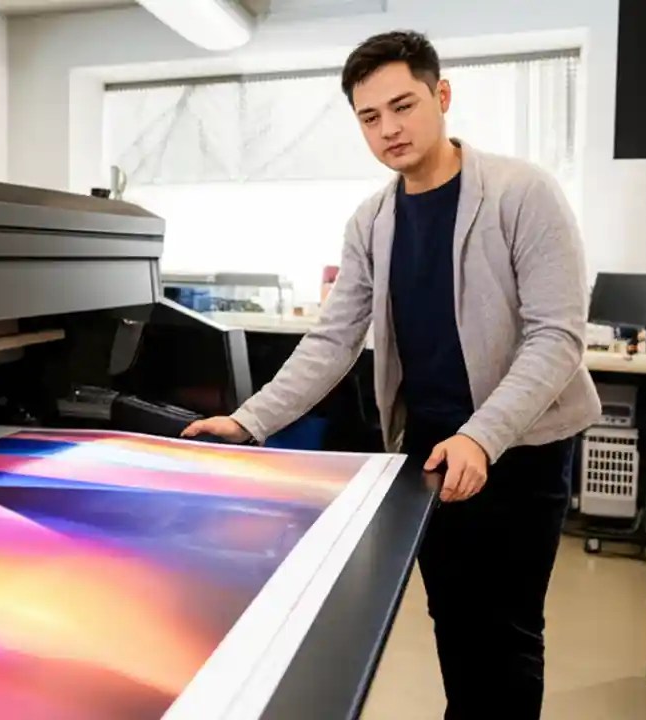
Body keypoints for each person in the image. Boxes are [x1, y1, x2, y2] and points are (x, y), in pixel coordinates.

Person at [182, 30, 600, 720]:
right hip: (429, 457)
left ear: (441, 95)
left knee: (508, 634)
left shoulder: (523, 193)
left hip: (519, 453)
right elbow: (333, 340)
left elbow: (557, 336)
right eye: (369, 118)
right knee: (455, 625)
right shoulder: (372, 220)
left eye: (402, 106)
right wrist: (247, 419)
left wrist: (483, 436)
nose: (389, 129)